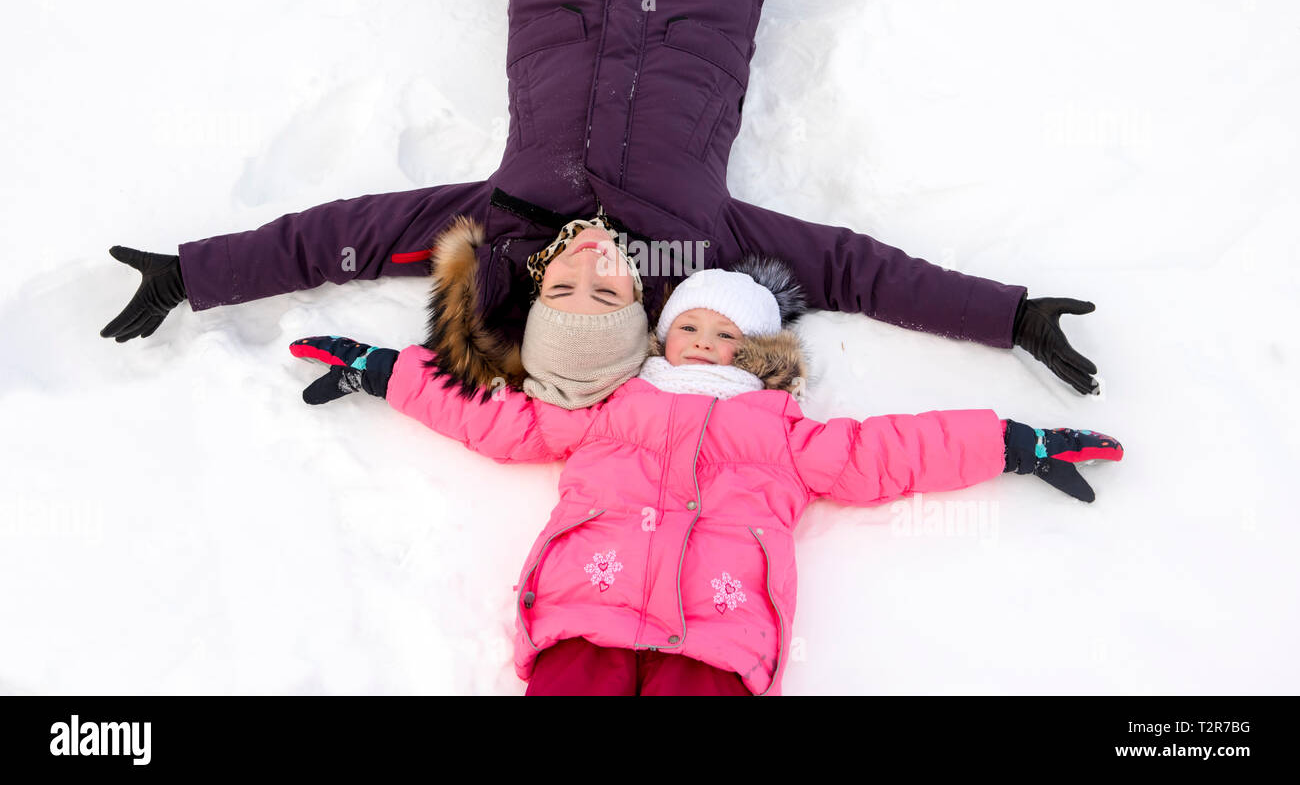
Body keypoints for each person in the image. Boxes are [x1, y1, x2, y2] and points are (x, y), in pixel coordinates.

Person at [102, 0, 1102, 398]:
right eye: (611, 299)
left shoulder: (494, 222)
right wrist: (1006, 316)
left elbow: (344, 237)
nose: (591, 276)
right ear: (645, 307)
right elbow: (852, 268)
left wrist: (195, 274)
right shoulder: (701, 247)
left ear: (531, 297)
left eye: (562, 297)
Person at [288, 259, 1124, 695]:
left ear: (754, 352)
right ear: (661, 336)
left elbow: (891, 451)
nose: (699, 340)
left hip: (718, 631)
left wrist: (1017, 442)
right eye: (685, 324)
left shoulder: (785, 432)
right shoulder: (610, 403)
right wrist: (385, 370)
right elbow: (499, 418)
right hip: (588, 608)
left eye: (722, 333)